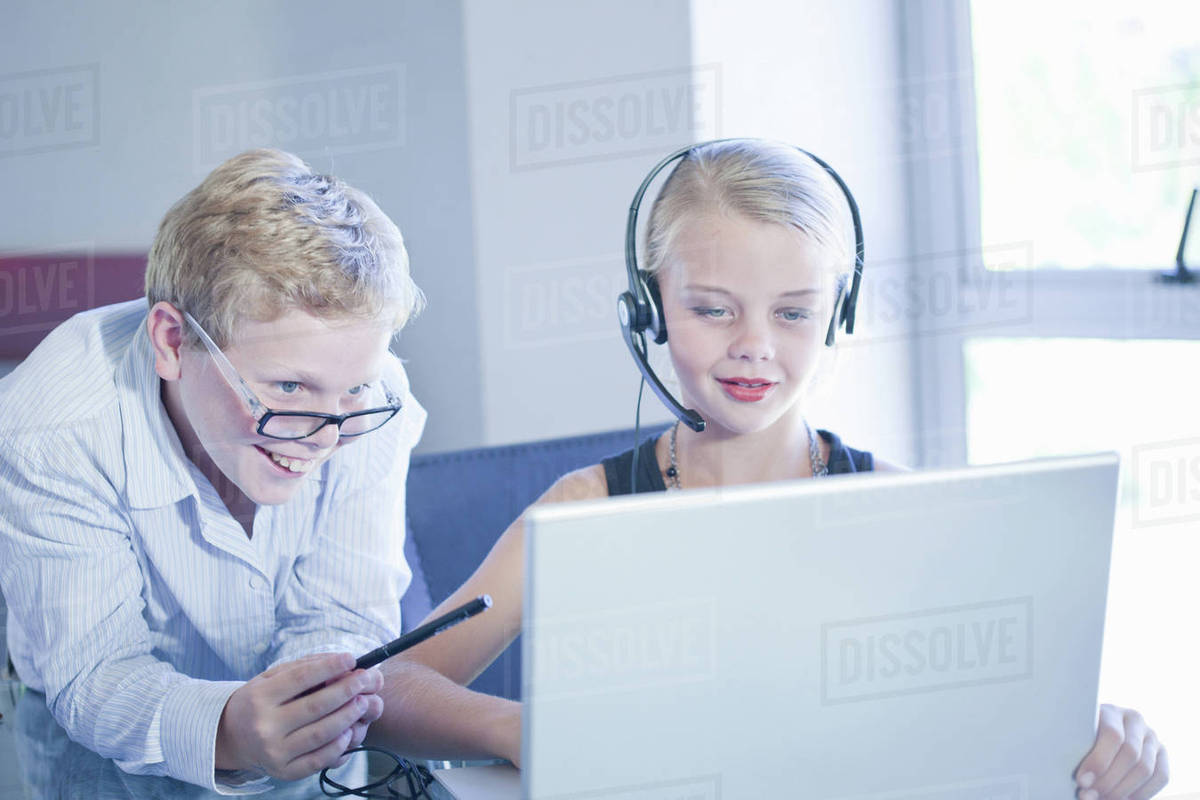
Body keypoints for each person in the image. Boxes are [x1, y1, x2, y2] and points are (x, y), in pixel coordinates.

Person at [368, 139, 1169, 800]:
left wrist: (1106, 733)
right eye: (713, 309)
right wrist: (522, 730)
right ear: (648, 308)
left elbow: (1015, 703)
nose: (754, 345)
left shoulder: (899, 508)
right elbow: (391, 690)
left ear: (837, 314)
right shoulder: (584, 507)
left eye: (793, 313)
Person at [0, 148, 426, 791]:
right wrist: (230, 731)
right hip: (88, 749)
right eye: (287, 387)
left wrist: (307, 704)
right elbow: (96, 677)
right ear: (173, 342)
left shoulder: (364, 400)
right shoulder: (51, 428)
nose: (323, 436)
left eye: (354, 390)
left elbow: (343, 610)